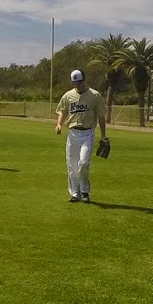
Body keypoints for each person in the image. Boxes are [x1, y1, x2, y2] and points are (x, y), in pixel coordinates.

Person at [55, 68, 108, 203]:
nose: (76, 85)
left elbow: (101, 117)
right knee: (72, 165)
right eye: (74, 83)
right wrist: (59, 124)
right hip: (72, 133)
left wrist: (103, 136)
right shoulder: (68, 95)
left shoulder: (95, 96)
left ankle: (84, 190)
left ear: (84, 80)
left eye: (78, 82)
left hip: (87, 133)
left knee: (83, 163)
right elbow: (62, 111)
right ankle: (75, 193)